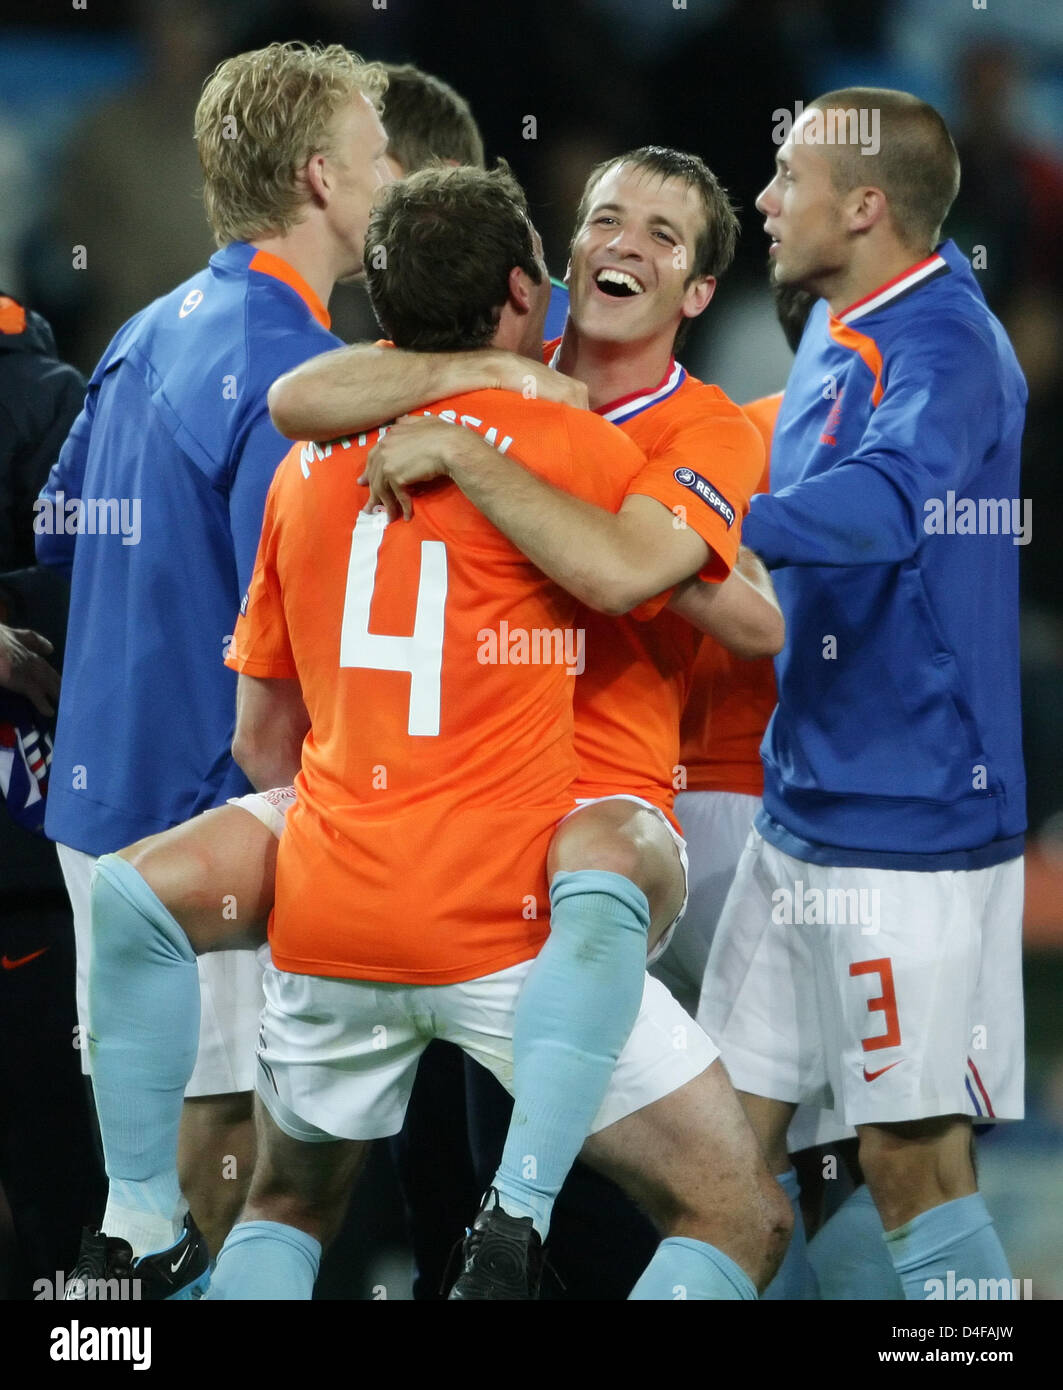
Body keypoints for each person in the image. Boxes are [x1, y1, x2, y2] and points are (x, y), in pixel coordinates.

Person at [202, 162, 789, 1300]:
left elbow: (651, 582)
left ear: (701, 292)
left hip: (571, 851)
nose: (627, 242)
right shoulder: (474, 374)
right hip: (439, 851)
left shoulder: (702, 429)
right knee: (457, 1212)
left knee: (570, 1218)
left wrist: (476, 454)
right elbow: (294, 397)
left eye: (664, 236)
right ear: (556, 267)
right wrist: (481, 382)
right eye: (607, 219)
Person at [38, 40, 394, 1295]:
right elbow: (289, 624)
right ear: (318, 177)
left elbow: (56, 528)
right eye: (375, 152)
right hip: (202, 820)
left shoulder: (144, 329)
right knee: (227, 1153)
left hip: (96, 810)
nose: (393, 173)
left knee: (149, 1167)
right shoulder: (293, 373)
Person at [697, 88, 1025, 1299]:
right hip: (806, 805)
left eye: (789, 178)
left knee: (909, 1162)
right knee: (723, 1151)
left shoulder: (945, 347)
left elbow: (888, 506)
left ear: (867, 205)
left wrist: (720, 521)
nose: (767, 201)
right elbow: (793, 435)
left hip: (912, 827)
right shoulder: (845, 318)